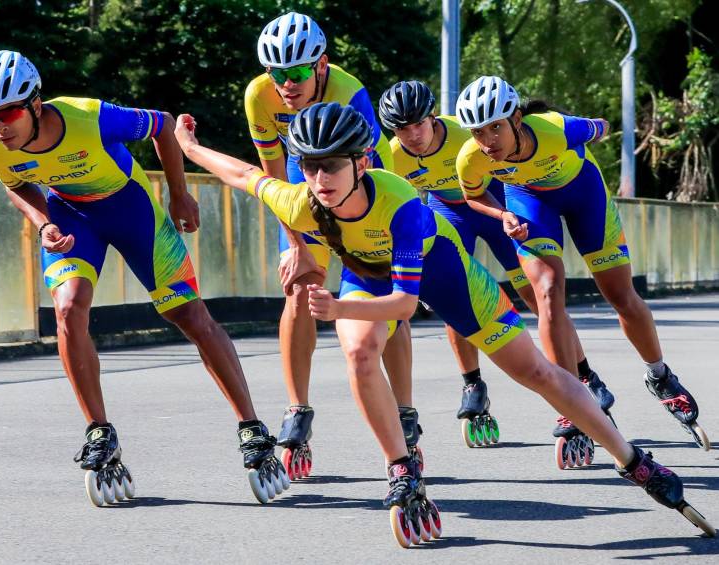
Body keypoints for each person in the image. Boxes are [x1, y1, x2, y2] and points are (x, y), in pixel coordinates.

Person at [175, 102, 714, 543]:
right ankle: (402, 470)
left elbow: (406, 310)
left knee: (538, 375)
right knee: (360, 354)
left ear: (362, 162)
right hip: (368, 277)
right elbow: (245, 175)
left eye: (331, 166)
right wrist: (191, 148)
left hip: (444, 271)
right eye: (310, 167)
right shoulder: (301, 200)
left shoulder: (403, 205)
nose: (319, 180)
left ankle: (635, 460)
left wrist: (338, 309)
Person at [0, 49, 289, 506]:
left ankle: (252, 428)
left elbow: (162, 124)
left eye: (8, 113)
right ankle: (100, 431)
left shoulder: (89, 117)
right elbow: (15, 182)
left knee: (190, 316)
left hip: (130, 209)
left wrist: (179, 196)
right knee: (68, 308)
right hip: (71, 216)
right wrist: (43, 223)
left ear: (36, 104)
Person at [454, 76, 709, 450]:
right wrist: (502, 215)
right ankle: (569, 402)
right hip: (529, 202)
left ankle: (660, 375)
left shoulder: (558, 129)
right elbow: (472, 194)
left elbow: (600, 127)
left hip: (584, 194)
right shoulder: (471, 157)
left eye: (496, 128)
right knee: (547, 291)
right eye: (478, 132)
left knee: (621, 296)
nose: (488, 140)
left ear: (517, 119)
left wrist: (597, 128)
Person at [380, 80, 613, 449]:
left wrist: (508, 213)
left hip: (497, 206)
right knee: (454, 299)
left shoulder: (467, 135)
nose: (412, 136)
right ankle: (472, 383)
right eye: (402, 130)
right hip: (447, 211)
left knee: (539, 298)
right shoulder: (392, 156)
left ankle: (584, 376)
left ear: (433, 117)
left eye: (418, 125)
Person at [244, 12, 413, 478]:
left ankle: (405, 409)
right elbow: (273, 176)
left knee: (386, 297)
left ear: (321, 65)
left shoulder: (351, 93)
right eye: (277, 74)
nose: (286, 84)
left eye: (297, 73)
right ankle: (297, 408)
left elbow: (368, 175)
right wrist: (296, 242)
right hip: (305, 181)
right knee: (299, 289)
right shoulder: (259, 95)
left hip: (358, 184)